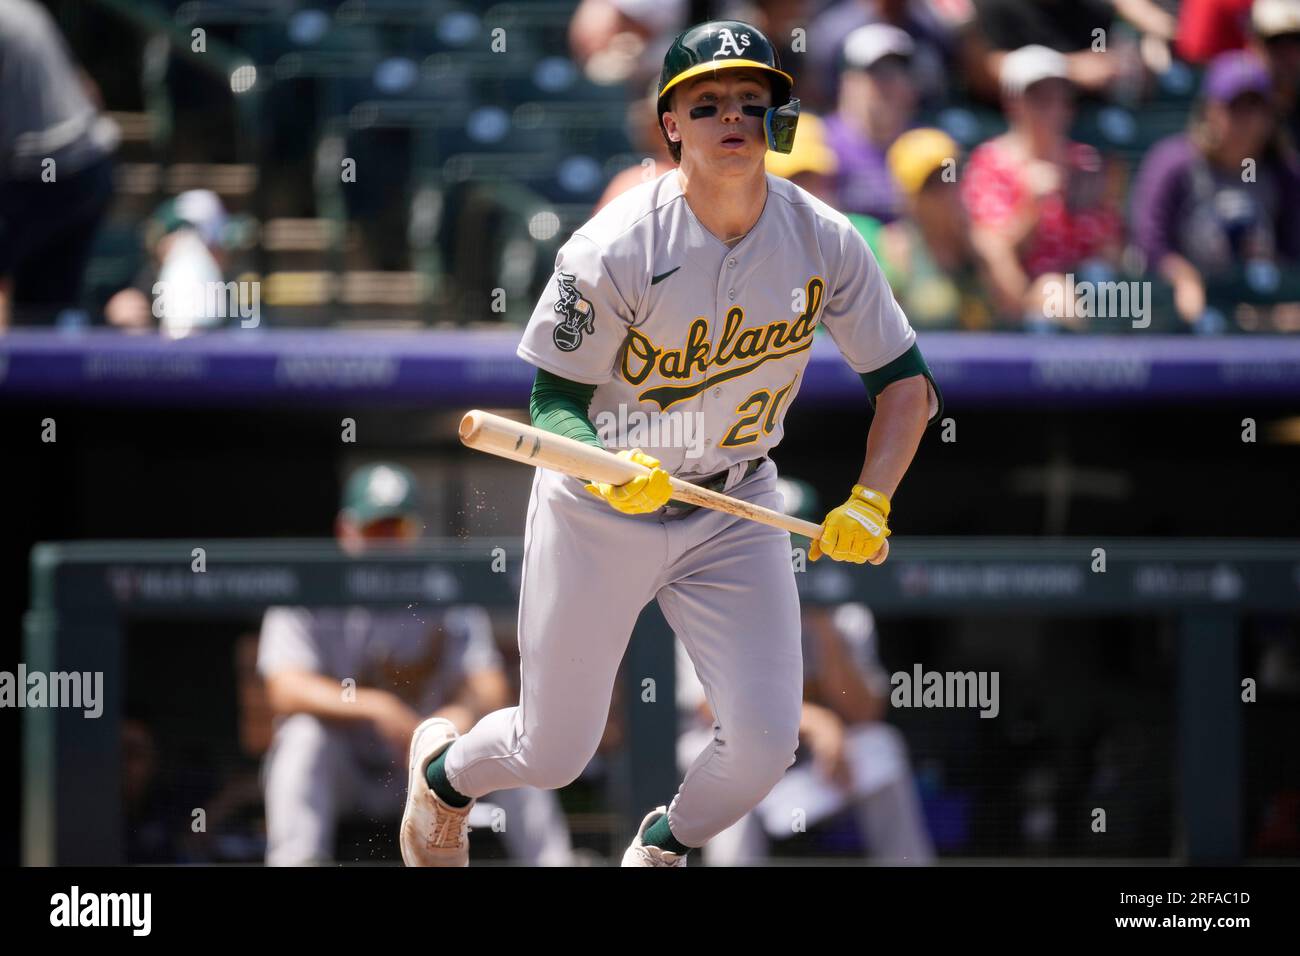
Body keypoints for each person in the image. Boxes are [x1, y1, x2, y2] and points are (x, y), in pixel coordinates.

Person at [399, 20, 940, 868]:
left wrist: (871, 498)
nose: (733, 116)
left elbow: (906, 388)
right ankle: (441, 779)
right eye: (709, 101)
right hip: (600, 504)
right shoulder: (614, 242)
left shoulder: (827, 238)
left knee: (765, 746)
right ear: (671, 124)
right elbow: (553, 403)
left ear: (778, 123)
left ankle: (660, 848)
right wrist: (610, 472)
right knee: (554, 751)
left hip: (734, 499)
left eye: (752, 103)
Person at [259, 463, 574, 866]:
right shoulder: (313, 586)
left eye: (397, 528)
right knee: (304, 738)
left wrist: (448, 722)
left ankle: (555, 863)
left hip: (433, 771)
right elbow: (284, 687)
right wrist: (376, 707)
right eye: (375, 529)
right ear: (346, 531)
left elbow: (488, 686)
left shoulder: (439, 583)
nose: (387, 541)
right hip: (352, 768)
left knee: (509, 743)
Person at [676, 478, 935, 865]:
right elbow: (707, 705)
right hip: (735, 741)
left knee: (883, 747)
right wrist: (814, 722)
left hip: (822, 760)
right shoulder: (710, 597)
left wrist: (822, 627)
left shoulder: (843, 612)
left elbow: (864, 711)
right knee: (727, 760)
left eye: (793, 545)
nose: (784, 559)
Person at [1130, 49, 1300, 329]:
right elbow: (1149, 243)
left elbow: (1292, 252)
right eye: (1235, 106)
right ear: (1210, 109)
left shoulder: (1284, 173)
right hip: (1183, 314)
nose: (1246, 120)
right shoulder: (1174, 163)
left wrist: (1276, 300)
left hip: (1262, 313)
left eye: (1255, 107)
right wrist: (1182, 276)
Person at [961, 46, 1124, 327]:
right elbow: (992, 253)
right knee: (1054, 291)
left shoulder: (1086, 162)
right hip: (1022, 305)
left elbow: (1110, 247)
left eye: (1059, 97)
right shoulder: (988, 164)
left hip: (1089, 287)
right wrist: (1031, 206)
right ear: (1013, 103)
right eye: (1038, 98)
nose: (1052, 107)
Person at [0, 0, 118, 330]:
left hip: (49, 170)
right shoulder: (24, 9)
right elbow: (90, 91)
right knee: (42, 306)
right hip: (95, 165)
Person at [852, 128, 993, 329]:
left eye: (951, 175)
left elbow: (1014, 314)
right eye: (934, 183)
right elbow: (880, 332)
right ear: (910, 199)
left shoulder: (983, 244)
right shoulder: (895, 249)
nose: (948, 190)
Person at [823, 24, 922, 223]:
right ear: (848, 81)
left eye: (899, 71)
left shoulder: (924, 145)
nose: (890, 84)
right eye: (878, 73)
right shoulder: (820, 144)